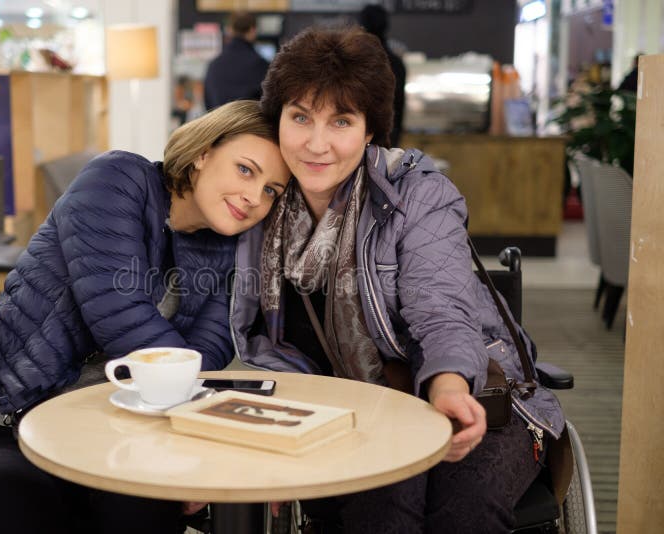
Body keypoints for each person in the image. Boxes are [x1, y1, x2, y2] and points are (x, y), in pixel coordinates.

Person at [230, 27, 566, 533]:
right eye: (300, 117)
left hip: (478, 396)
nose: (316, 144)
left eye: (341, 121)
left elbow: (441, 310)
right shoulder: (256, 206)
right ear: (276, 119)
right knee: (382, 504)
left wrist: (449, 386)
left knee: (463, 508)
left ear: (370, 131)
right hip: (351, 411)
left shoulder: (417, 197)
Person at [0, 99, 291, 534]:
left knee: (147, 509)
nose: (254, 198)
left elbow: (203, 359)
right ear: (203, 153)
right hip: (10, 425)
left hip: (121, 438)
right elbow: (118, 314)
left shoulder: (236, 253)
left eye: (271, 190)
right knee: (17, 504)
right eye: (245, 170)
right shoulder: (116, 180)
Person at [358, 4, 406, 147]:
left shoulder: (354, 61)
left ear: (362, 25)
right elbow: (399, 107)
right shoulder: (397, 63)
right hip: (388, 140)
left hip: (359, 140)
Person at [203, 11, 269, 110]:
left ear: (230, 30)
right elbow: (270, 103)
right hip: (249, 119)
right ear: (253, 30)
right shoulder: (260, 65)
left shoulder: (214, 65)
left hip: (219, 119)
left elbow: (208, 103)